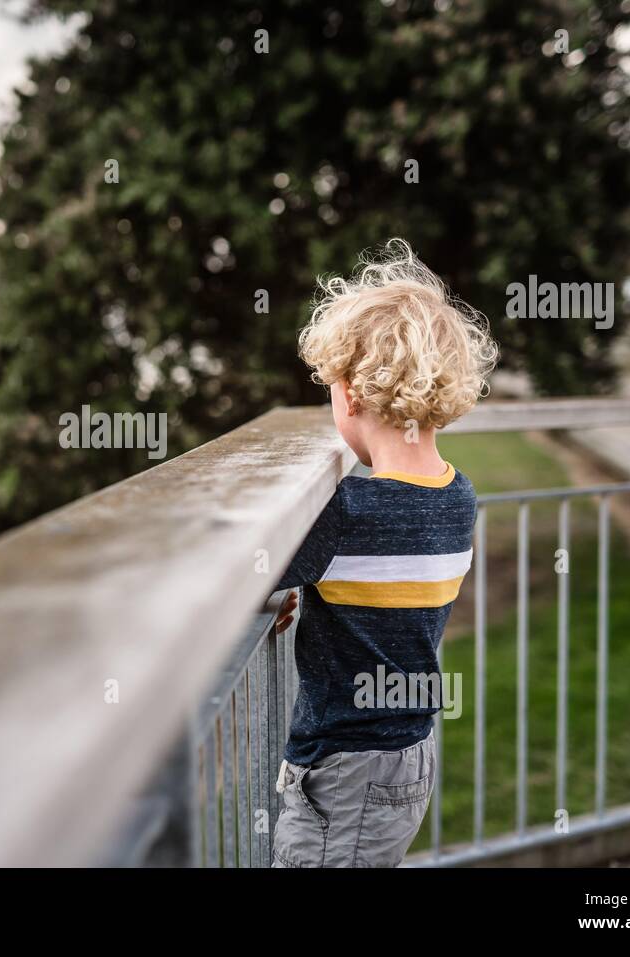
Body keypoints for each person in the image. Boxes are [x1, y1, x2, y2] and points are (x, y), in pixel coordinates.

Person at [269, 239, 497, 868]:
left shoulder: (348, 513)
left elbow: (245, 578)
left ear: (350, 395)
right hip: (408, 753)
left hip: (343, 767)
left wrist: (278, 589)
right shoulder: (458, 496)